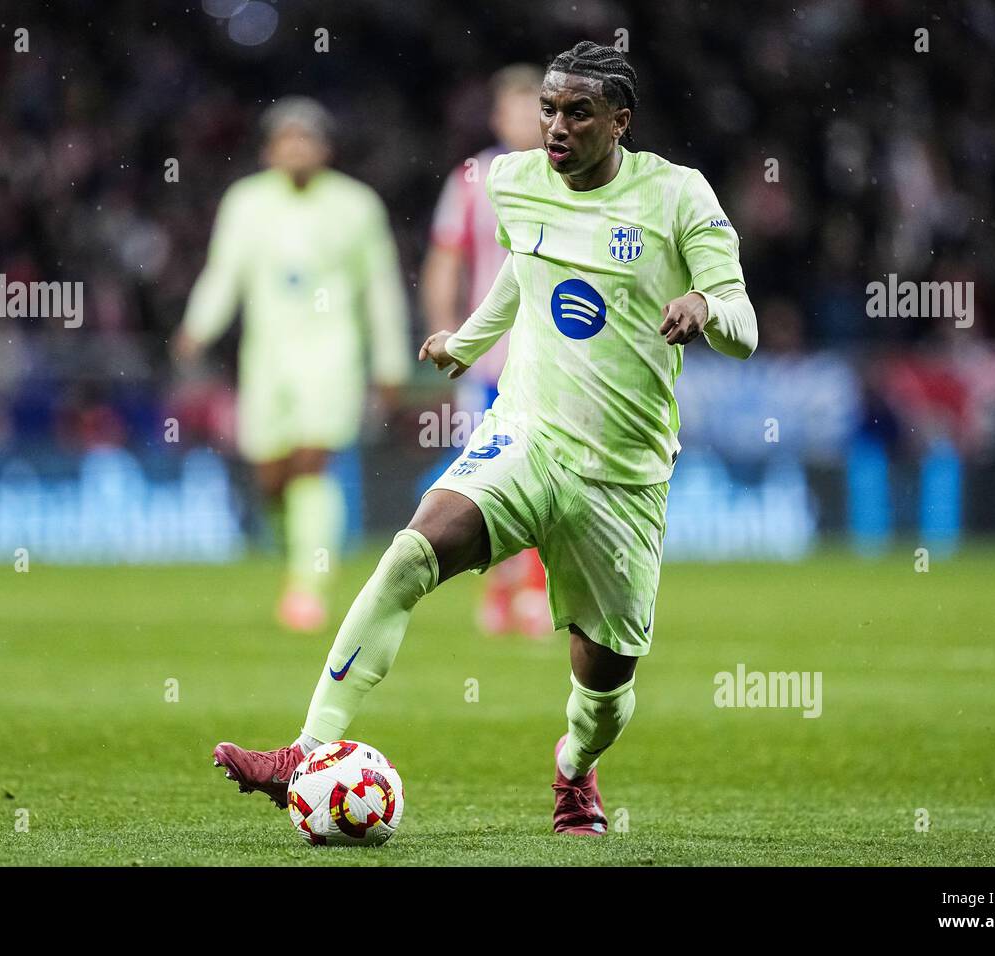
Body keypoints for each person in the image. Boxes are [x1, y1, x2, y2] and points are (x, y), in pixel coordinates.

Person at [213, 41, 757, 835]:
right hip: (528, 432)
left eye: (577, 112)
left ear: (620, 121)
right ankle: (309, 747)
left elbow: (741, 320)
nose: (555, 126)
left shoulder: (677, 196)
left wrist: (705, 309)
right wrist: (468, 343)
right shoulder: (511, 181)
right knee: (410, 553)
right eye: (548, 108)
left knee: (604, 686)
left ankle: (574, 770)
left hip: (624, 475)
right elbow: (521, 266)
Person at [172, 97, 410, 633]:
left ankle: (308, 584)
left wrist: (390, 362)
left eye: (307, 139)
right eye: (287, 139)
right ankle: (297, 553)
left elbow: (381, 291)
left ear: (324, 148)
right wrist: (196, 328)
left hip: (333, 355)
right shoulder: (247, 202)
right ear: (269, 149)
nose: (297, 148)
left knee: (313, 460)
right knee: (272, 475)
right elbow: (223, 273)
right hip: (268, 358)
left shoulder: (356, 205)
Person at [420, 64, 553, 637]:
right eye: (516, 108)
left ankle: (534, 589)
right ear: (498, 116)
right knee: (493, 477)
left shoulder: (572, 173)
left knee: (552, 473)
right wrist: (447, 330)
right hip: (492, 357)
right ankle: (506, 587)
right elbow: (445, 258)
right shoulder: (473, 177)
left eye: (537, 108)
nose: (527, 119)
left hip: (558, 356)